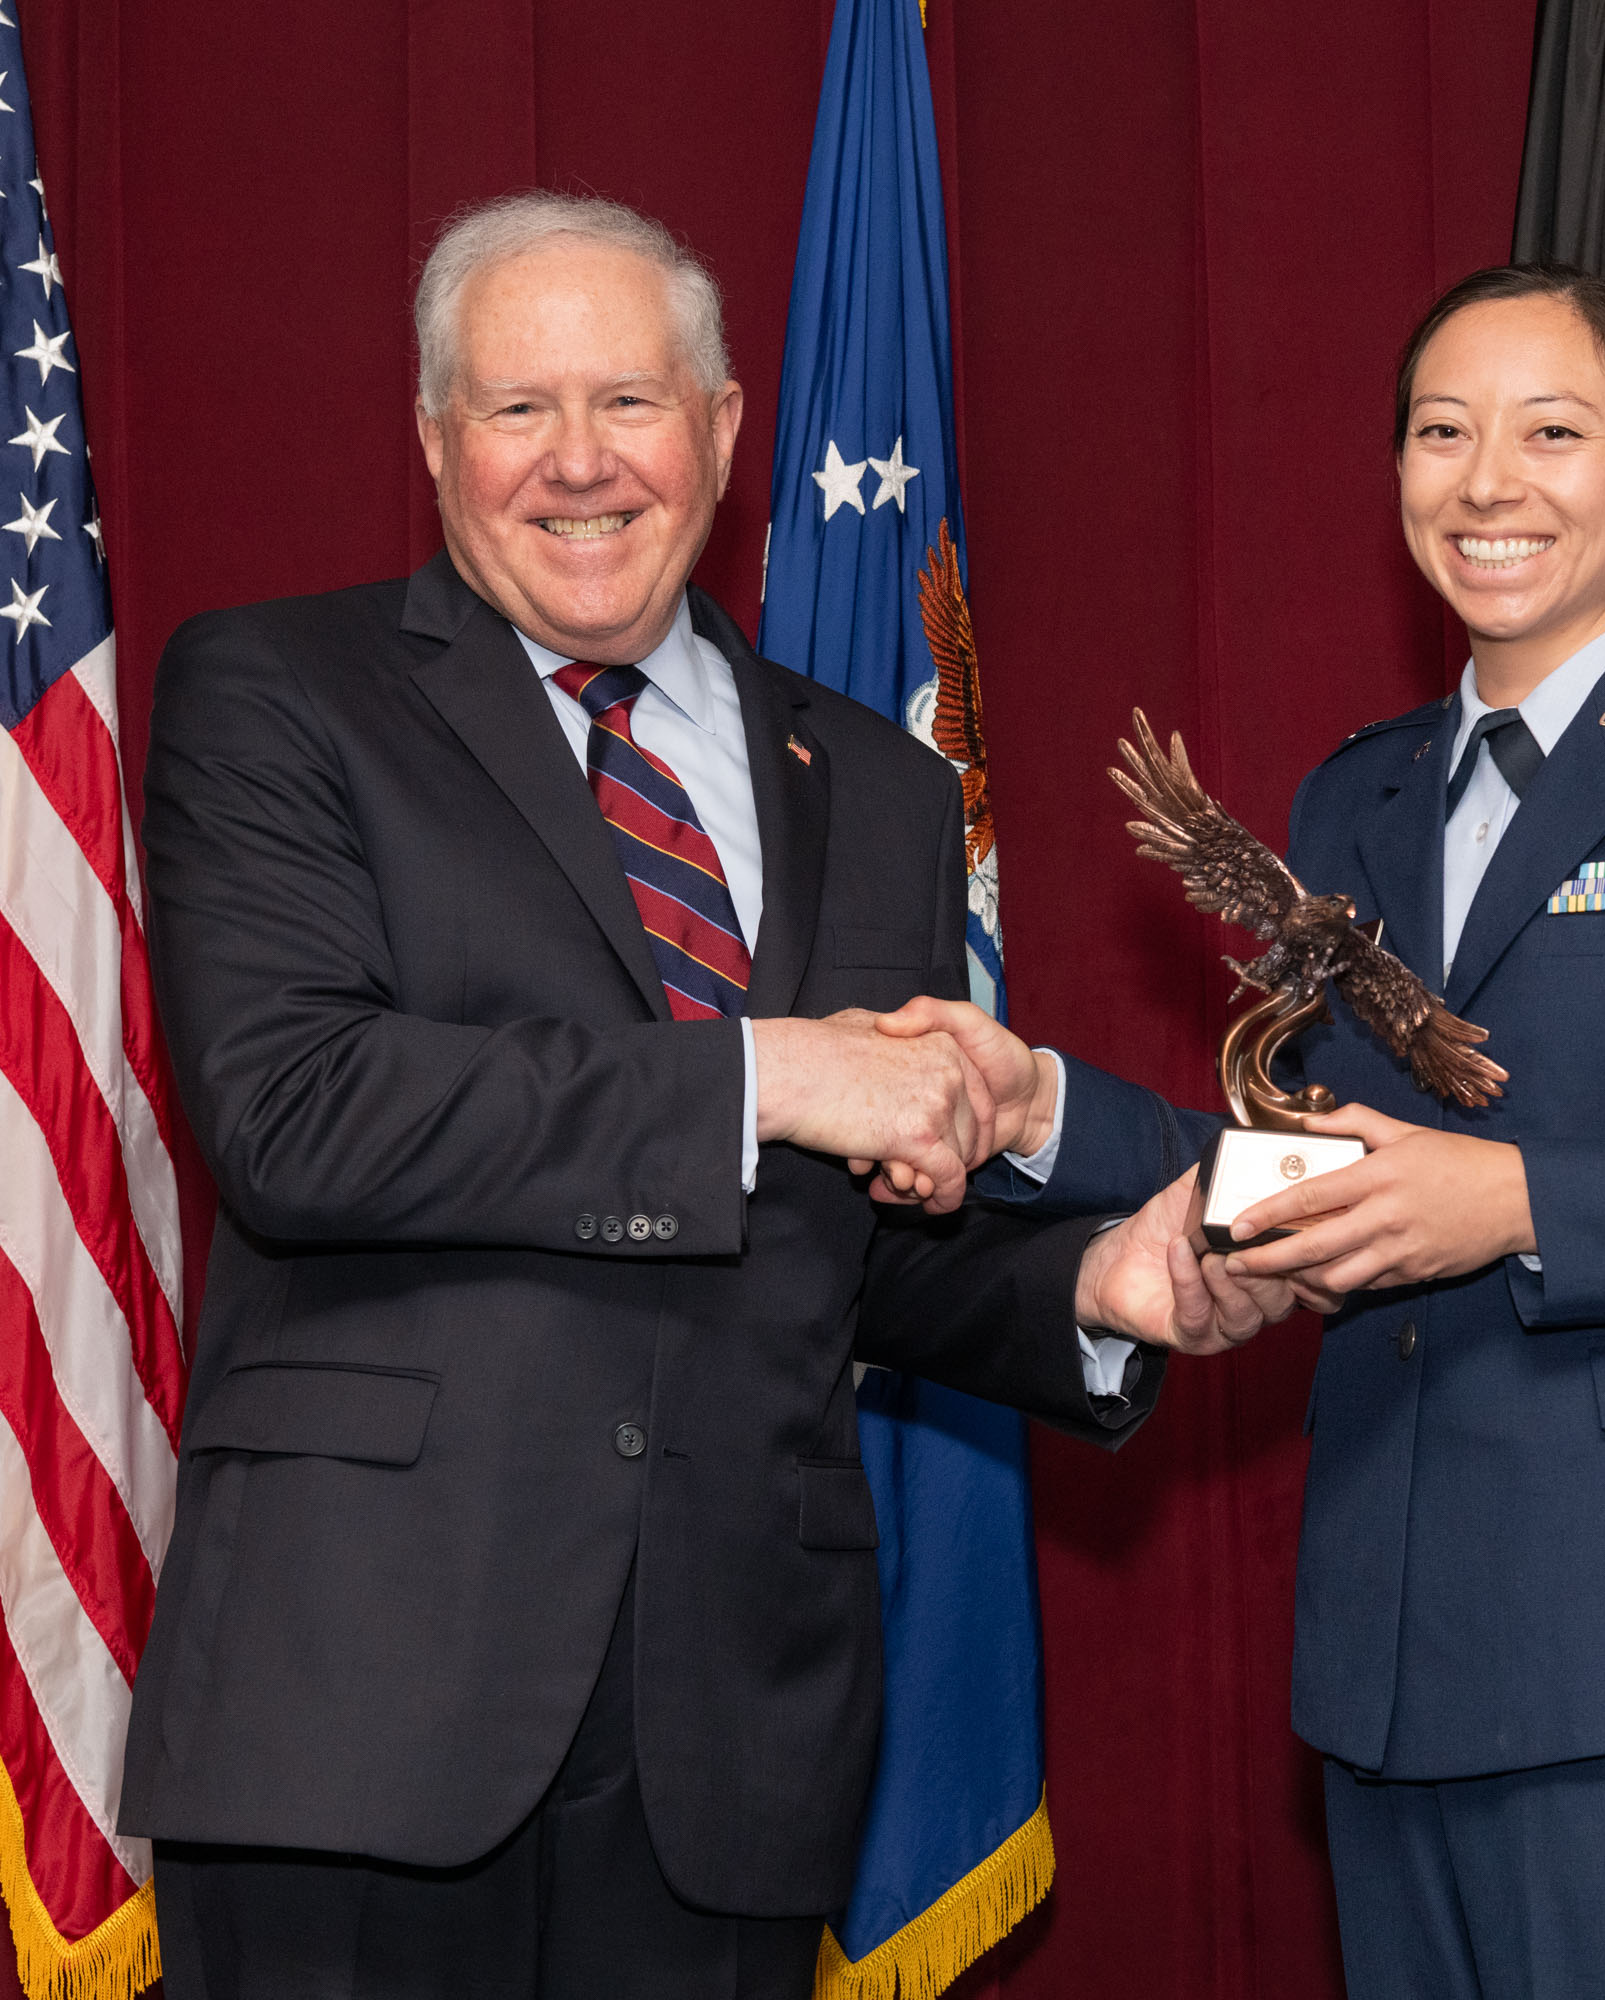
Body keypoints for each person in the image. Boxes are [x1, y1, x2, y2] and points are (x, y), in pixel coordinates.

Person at [123, 192, 1290, 2000]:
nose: (578, 464)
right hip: (361, 1714)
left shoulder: (884, 788)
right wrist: (776, 1068)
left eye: (632, 404)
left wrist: (1087, 1295)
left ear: (729, 433)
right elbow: (302, 1114)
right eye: (516, 410)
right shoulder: (279, 693)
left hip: (731, 1739)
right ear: (434, 442)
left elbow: (842, 1238)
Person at [895, 263, 1605, 1996]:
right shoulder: (1361, 791)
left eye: (1555, 432)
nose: (1488, 483)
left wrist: (1526, 1202)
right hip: (1400, 1656)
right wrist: (1040, 1108)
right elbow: (1323, 1174)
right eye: (1441, 432)